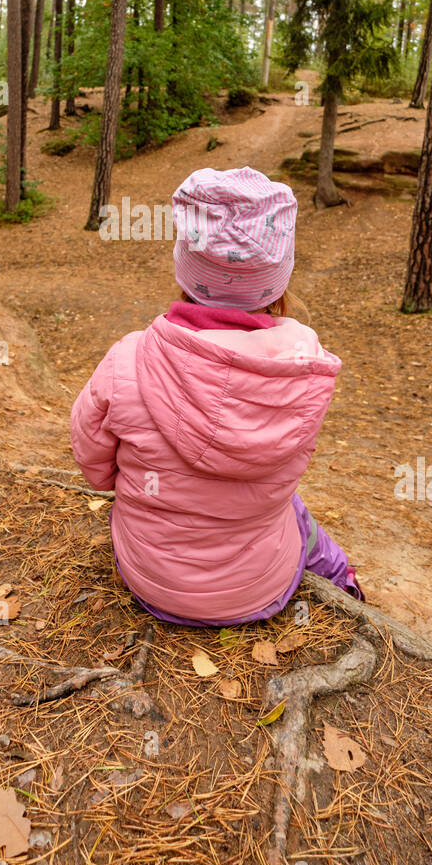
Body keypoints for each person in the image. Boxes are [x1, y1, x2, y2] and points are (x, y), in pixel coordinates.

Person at [70, 166, 363, 626]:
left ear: (186, 267)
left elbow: (94, 465)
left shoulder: (128, 359)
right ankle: (344, 579)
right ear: (278, 282)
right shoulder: (303, 372)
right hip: (258, 589)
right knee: (295, 512)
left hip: (151, 583)